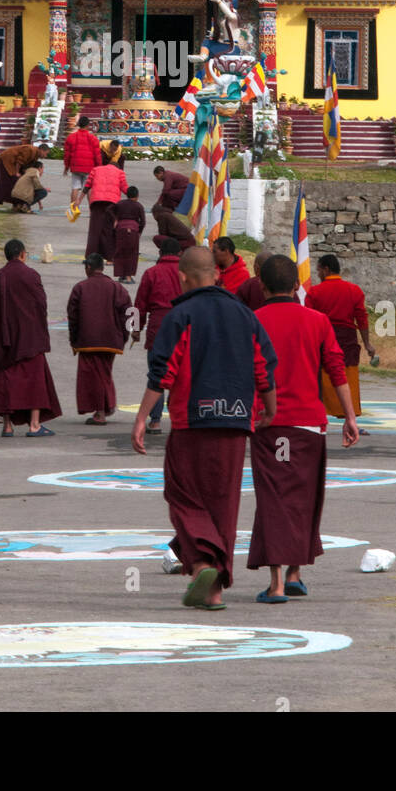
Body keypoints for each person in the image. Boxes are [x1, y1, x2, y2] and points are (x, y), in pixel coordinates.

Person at [131, 246, 277, 610]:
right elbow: (264, 369)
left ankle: (199, 565)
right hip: (237, 420)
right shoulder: (246, 315)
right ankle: (215, 589)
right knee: (223, 504)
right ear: (217, 273)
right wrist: (268, 411)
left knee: (182, 496)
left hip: (191, 421)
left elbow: (162, 373)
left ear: (183, 277)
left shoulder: (181, 315)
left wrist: (140, 419)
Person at [247, 255, 359, 603]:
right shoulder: (318, 321)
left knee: (273, 499)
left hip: (269, 422)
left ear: (262, 286)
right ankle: (295, 572)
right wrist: (351, 417)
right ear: (297, 285)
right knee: (304, 499)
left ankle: (277, 582)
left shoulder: (252, 321)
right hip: (310, 424)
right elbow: (336, 371)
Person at [0, 239, 61, 437]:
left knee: (5, 381)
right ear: (23, 254)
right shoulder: (31, 275)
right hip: (29, 339)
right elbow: (41, 305)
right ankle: (34, 425)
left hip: (4, 343)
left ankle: (7, 426)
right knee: (34, 380)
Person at [305, 253, 376, 418]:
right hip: (348, 340)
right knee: (348, 373)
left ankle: (325, 409)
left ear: (326, 269)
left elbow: (309, 319)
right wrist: (367, 345)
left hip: (324, 339)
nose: (318, 275)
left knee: (324, 375)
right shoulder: (354, 291)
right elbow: (362, 320)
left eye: (318, 271)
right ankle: (348, 411)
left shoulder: (315, 292)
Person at [67, 254, 132, 424]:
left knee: (94, 377)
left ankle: (101, 412)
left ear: (88, 268)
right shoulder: (117, 288)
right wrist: (124, 336)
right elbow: (130, 312)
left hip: (88, 341)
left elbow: (72, 316)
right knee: (103, 373)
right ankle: (106, 406)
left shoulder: (80, 288)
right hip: (111, 341)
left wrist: (74, 339)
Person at [132, 237, 182, 431]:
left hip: (158, 329)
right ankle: (179, 419)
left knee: (157, 374)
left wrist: (135, 330)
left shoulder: (151, 273)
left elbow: (138, 305)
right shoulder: (186, 273)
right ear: (180, 255)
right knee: (180, 375)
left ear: (160, 254)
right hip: (183, 329)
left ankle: (155, 420)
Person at [81, 157, 128, 260]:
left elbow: (87, 185)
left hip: (96, 202)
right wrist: (133, 198)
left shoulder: (96, 169)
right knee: (108, 230)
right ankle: (109, 256)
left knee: (94, 230)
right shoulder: (120, 172)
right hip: (111, 204)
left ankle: (90, 256)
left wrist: (79, 200)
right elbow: (124, 188)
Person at [151, 164, 196, 250]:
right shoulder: (167, 176)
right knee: (168, 196)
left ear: (161, 173)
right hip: (182, 190)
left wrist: (158, 202)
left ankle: (172, 208)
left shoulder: (168, 176)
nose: (157, 178)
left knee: (169, 194)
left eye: (157, 176)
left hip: (186, 190)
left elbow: (166, 190)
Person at [63, 114, 102, 206]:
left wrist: (66, 167)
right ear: (88, 125)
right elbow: (97, 155)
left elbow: (67, 154)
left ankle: (73, 210)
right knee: (88, 189)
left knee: (75, 187)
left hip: (75, 166)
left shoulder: (71, 137)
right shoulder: (93, 138)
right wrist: (99, 168)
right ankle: (92, 211)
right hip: (89, 168)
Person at [113, 185, 146, 282]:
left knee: (120, 251)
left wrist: (115, 222)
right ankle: (128, 277)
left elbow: (110, 210)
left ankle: (121, 275)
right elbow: (143, 222)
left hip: (121, 230)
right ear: (137, 196)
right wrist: (139, 232)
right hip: (133, 230)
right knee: (132, 253)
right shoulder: (139, 206)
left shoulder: (120, 204)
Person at [0, 140, 41, 206]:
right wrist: (17, 172)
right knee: (12, 180)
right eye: (45, 153)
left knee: (18, 180)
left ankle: (16, 203)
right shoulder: (30, 150)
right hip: (7, 159)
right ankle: (14, 202)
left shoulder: (36, 154)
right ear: (42, 150)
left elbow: (27, 165)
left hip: (14, 163)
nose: (45, 156)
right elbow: (19, 161)